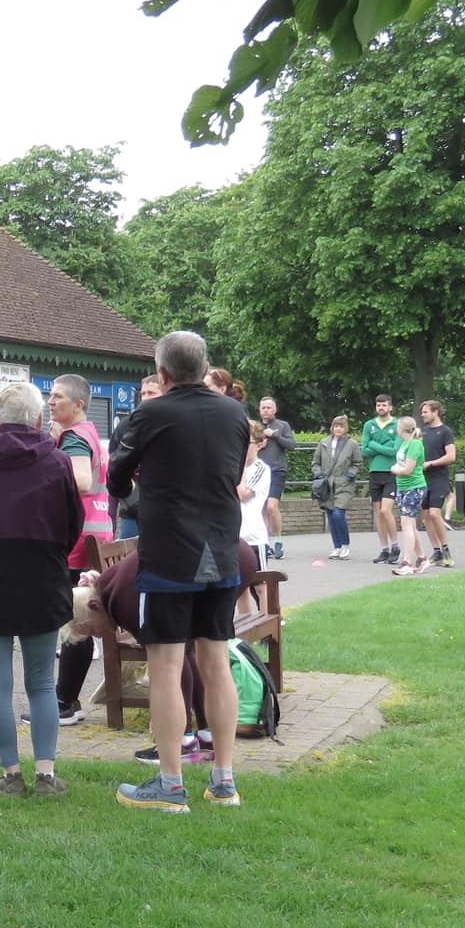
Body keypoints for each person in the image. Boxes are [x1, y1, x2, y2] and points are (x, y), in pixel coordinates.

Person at [107, 330, 250, 812]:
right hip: (223, 552)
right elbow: (229, 475)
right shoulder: (235, 413)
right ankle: (224, 780)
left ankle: (170, 785)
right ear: (204, 365)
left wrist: (143, 486)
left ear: (163, 374)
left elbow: (115, 477)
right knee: (216, 661)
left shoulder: (150, 413)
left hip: (170, 554)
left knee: (166, 667)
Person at [0, 383, 83, 798]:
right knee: (42, 681)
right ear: (39, 420)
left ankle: (10, 774)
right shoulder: (58, 461)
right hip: (41, 573)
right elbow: (72, 523)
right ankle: (45, 774)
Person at [70, 540, 262, 768]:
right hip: (231, 553)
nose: (99, 636)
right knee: (195, 652)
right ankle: (206, 736)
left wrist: (169, 723)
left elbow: (174, 663)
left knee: (175, 661)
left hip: (219, 560)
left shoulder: (125, 602)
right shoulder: (113, 590)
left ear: (94, 605)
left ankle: (183, 742)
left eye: (92, 630)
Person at [44, 373, 114, 727]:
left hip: (77, 540)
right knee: (79, 616)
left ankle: (65, 701)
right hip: (96, 536)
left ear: (79, 404)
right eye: (49, 395)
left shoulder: (74, 438)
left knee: (73, 621)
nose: (50, 401)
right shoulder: (90, 435)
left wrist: (47, 461)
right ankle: (66, 699)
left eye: (57, 396)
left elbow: (82, 480)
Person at [109, 375, 166, 541]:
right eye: (144, 393)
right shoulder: (127, 425)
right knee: (129, 560)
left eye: (152, 393)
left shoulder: (173, 424)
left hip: (165, 512)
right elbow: (113, 462)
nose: (146, 398)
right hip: (132, 512)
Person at [312, 414, 362, 558]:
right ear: (332, 427)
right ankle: (337, 546)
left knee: (338, 514)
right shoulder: (324, 443)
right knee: (330, 515)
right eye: (336, 426)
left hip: (344, 484)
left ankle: (345, 544)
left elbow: (357, 463)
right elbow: (315, 462)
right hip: (327, 484)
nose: (338, 429)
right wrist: (319, 474)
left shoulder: (352, 444)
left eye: (341, 426)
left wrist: (349, 475)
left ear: (345, 428)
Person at [361, 393, 403, 564]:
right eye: (378, 405)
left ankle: (395, 546)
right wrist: (381, 446)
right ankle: (384, 549)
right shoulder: (369, 425)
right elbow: (364, 451)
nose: (381, 408)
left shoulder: (397, 424)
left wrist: (374, 444)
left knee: (386, 510)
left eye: (384, 405)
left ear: (390, 407)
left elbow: (395, 450)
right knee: (378, 513)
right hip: (374, 471)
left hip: (391, 472)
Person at [417, 399, 457, 566]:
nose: (422, 415)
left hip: (439, 478)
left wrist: (431, 463)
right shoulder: (423, 432)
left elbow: (451, 456)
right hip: (423, 478)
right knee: (426, 517)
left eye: (425, 412)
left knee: (434, 514)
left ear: (436, 412)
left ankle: (446, 549)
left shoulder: (446, 431)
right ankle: (436, 552)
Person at [391, 415, 431, 576]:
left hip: (414, 488)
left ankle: (407, 562)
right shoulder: (404, 444)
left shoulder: (415, 444)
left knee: (406, 525)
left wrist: (395, 470)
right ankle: (422, 558)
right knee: (411, 525)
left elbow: (408, 470)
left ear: (401, 428)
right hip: (403, 487)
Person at [256, 396, 296, 559]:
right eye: (263, 407)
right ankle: (263, 544)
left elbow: (292, 445)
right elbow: (246, 447)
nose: (266, 410)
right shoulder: (255, 427)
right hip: (258, 472)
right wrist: (259, 445)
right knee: (260, 509)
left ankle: (278, 541)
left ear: (275, 410)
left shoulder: (282, 426)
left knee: (272, 507)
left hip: (277, 470)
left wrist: (275, 436)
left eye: (269, 408)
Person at [237, 422, 271, 562]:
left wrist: (242, 467)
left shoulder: (261, 469)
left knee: (259, 583)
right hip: (232, 537)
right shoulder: (230, 466)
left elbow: (243, 495)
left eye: (247, 442)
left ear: (258, 444)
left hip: (253, 538)